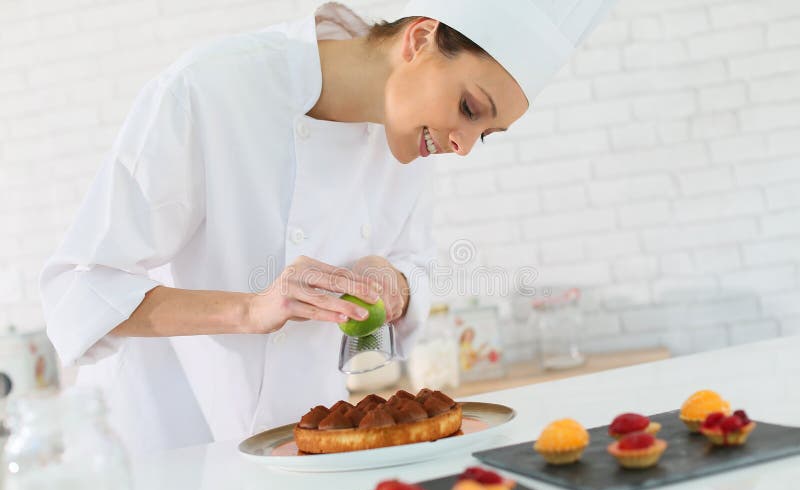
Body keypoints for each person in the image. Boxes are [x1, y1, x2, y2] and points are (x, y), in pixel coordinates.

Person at [40, 0, 616, 454]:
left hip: (306, 448)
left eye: (484, 134)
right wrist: (251, 310)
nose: (463, 146)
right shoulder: (210, 88)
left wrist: (392, 279)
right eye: (469, 109)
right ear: (419, 39)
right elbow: (79, 289)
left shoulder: (410, 141)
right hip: (166, 449)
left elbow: (416, 262)